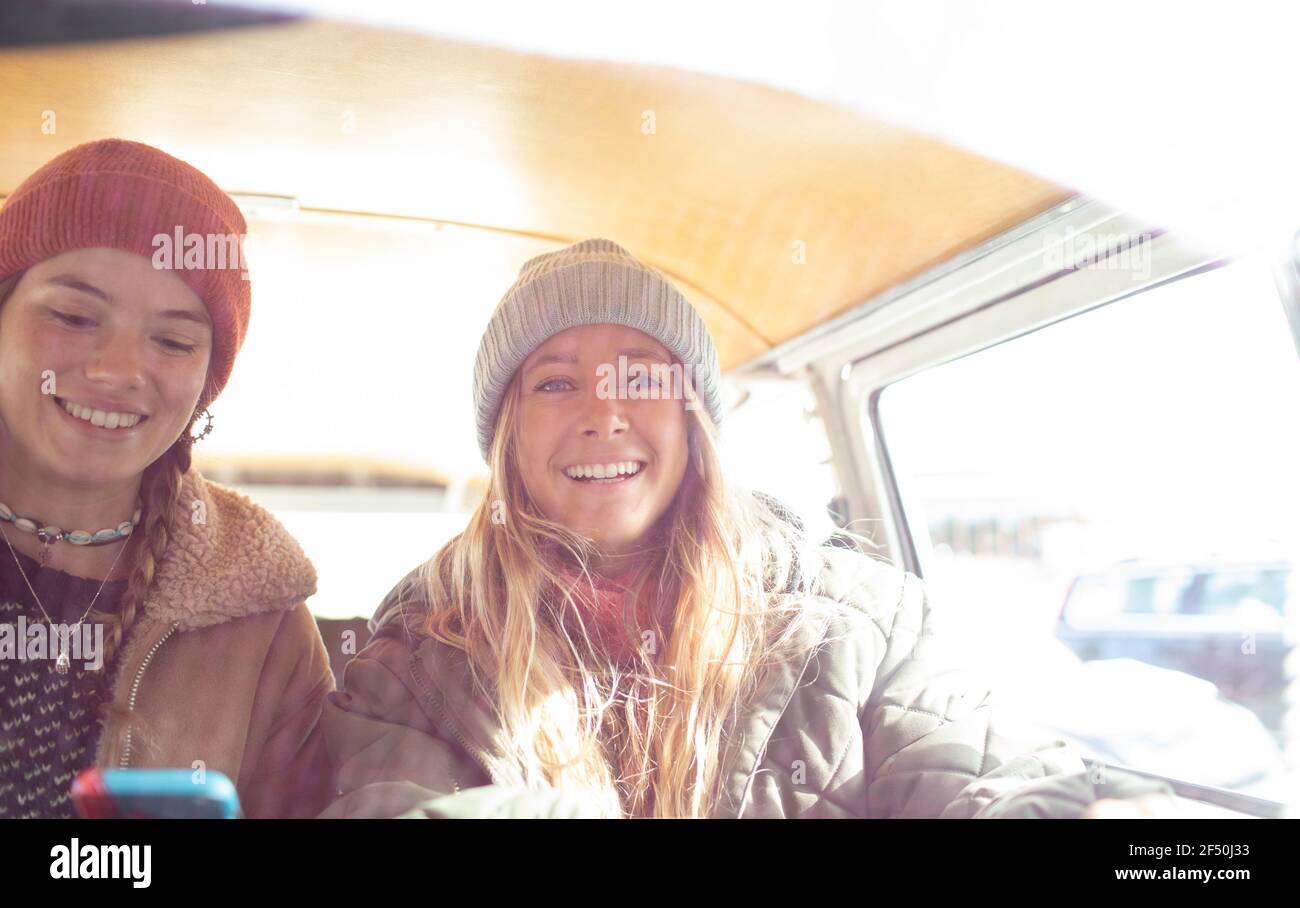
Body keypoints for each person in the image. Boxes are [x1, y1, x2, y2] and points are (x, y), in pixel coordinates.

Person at [319, 238, 1175, 818]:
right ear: (506, 434)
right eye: (554, 384)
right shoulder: (416, 660)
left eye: (642, 378)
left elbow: (988, 778)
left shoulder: (862, 625)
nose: (604, 413)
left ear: (694, 418)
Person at [0, 139, 333, 818]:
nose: (118, 371)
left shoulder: (266, 625)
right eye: (72, 315)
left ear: (206, 385)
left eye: (174, 341)